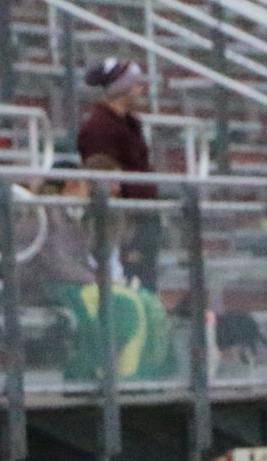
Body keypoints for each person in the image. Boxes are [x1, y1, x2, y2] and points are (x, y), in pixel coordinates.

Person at [20, 156, 176, 382]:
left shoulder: (74, 216)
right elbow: (55, 263)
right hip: (52, 285)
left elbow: (92, 253)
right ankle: (106, 372)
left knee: (145, 300)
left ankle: (145, 373)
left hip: (79, 281)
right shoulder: (44, 215)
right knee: (125, 304)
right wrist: (96, 281)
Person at [75, 57, 160, 289]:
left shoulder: (131, 124)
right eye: (136, 84)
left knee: (146, 279)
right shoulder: (98, 128)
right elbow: (100, 170)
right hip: (121, 219)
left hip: (141, 212)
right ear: (123, 89)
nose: (142, 89)